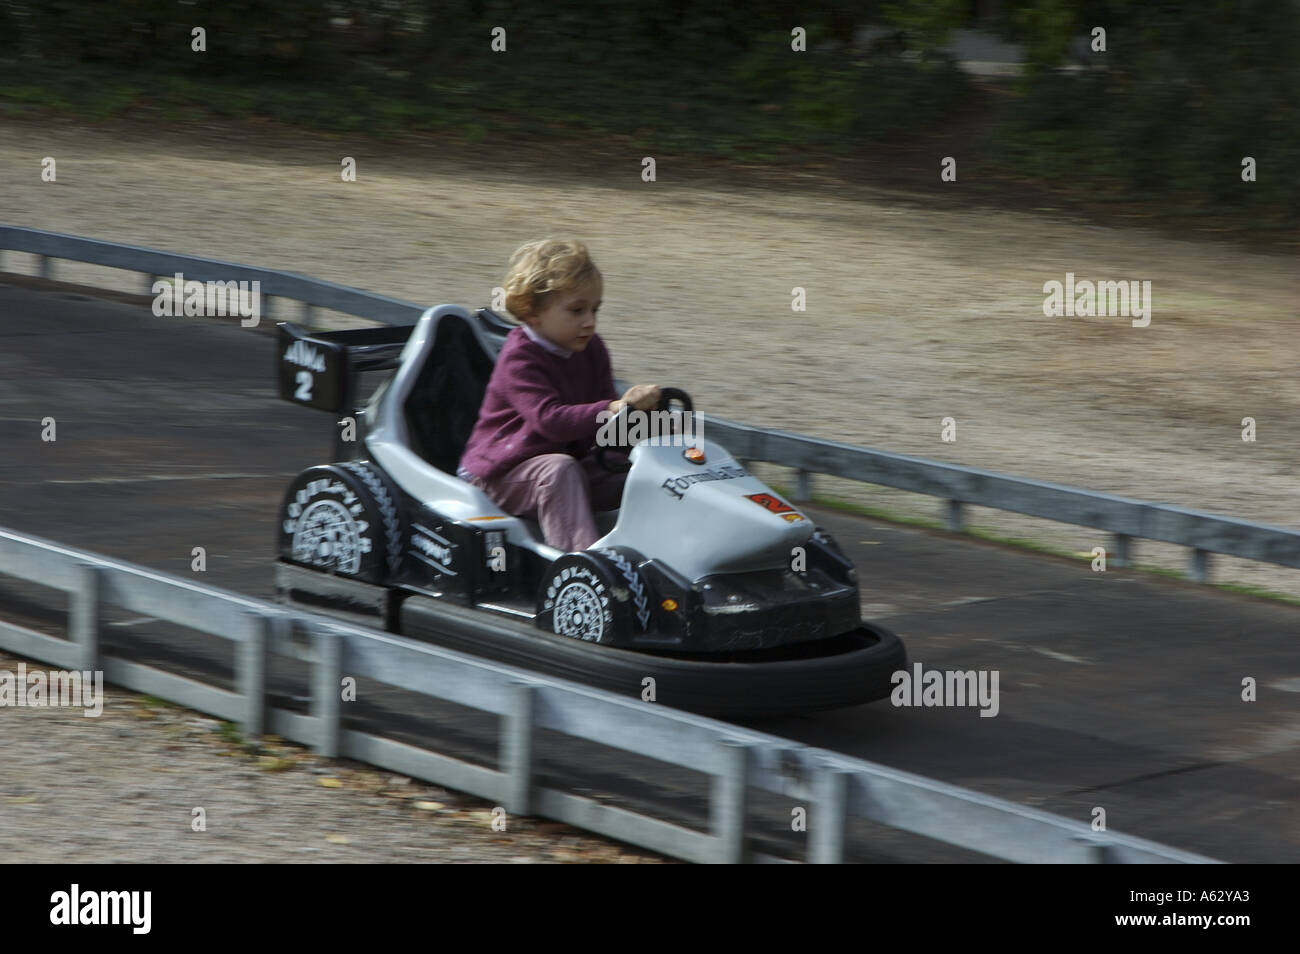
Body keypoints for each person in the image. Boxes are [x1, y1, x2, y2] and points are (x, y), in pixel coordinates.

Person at [456, 239, 660, 551]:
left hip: (567, 461)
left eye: (595, 309)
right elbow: (550, 420)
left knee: (641, 473)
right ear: (532, 312)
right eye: (577, 310)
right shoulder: (520, 357)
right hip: (498, 475)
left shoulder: (592, 349)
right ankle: (581, 566)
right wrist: (616, 406)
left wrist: (649, 426)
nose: (589, 321)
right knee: (558, 472)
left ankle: (668, 555)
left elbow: (605, 426)